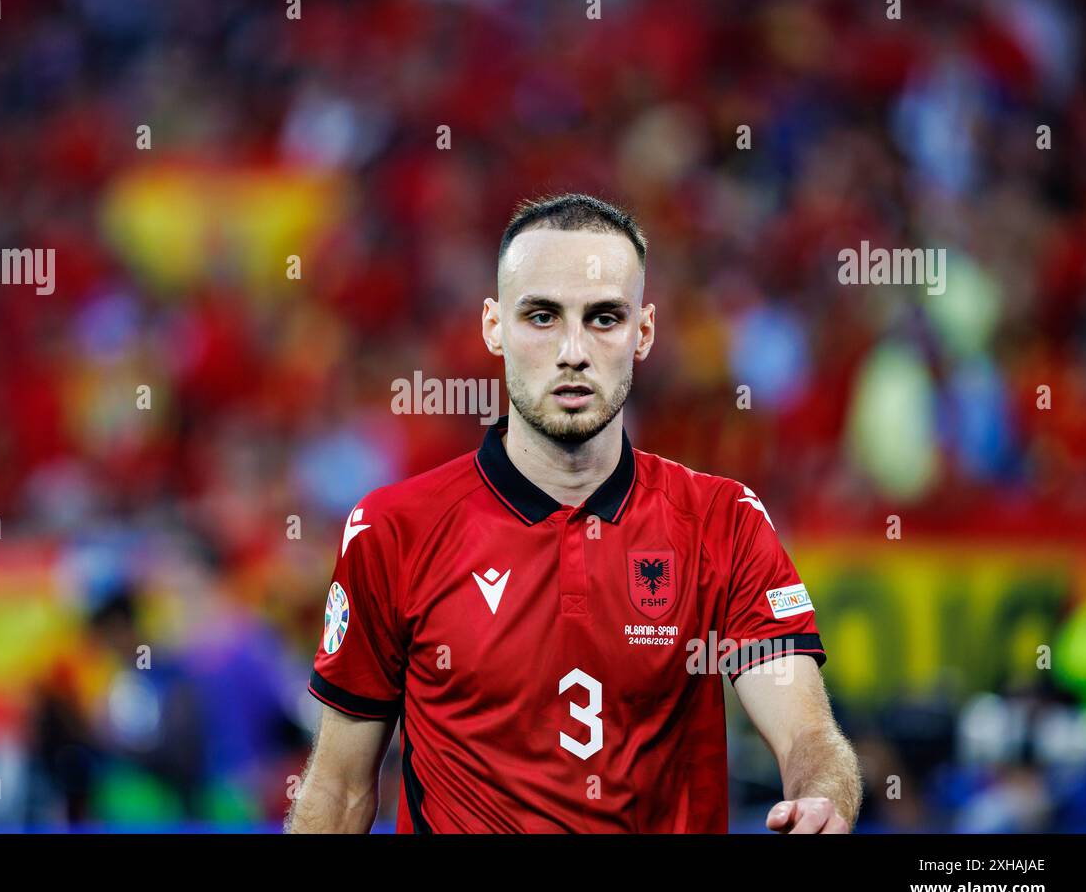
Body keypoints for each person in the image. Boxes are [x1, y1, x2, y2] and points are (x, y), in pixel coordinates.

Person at [286, 193, 861, 833]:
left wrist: (823, 798)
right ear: (493, 326)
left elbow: (808, 734)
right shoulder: (394, 531)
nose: (573, 351)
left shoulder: (723, 521)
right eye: (541, 317)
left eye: (604, 318)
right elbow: (337, 791)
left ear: (643, 332)